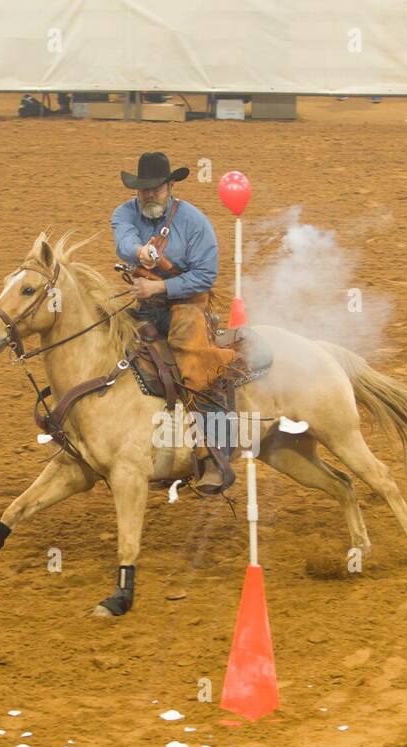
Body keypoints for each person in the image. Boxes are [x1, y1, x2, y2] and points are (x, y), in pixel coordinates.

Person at [111, 151, 242, 495]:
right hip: (144, 303)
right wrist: (139, 252)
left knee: (197, 367)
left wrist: (159, 285)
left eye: (156, 187)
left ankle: (215, 456)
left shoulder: (195, 222)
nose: (149, 194)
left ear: (170, 186)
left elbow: (205, 276)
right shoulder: (124, 213)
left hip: (186, 306)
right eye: (144, 189)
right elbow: (123, 239)